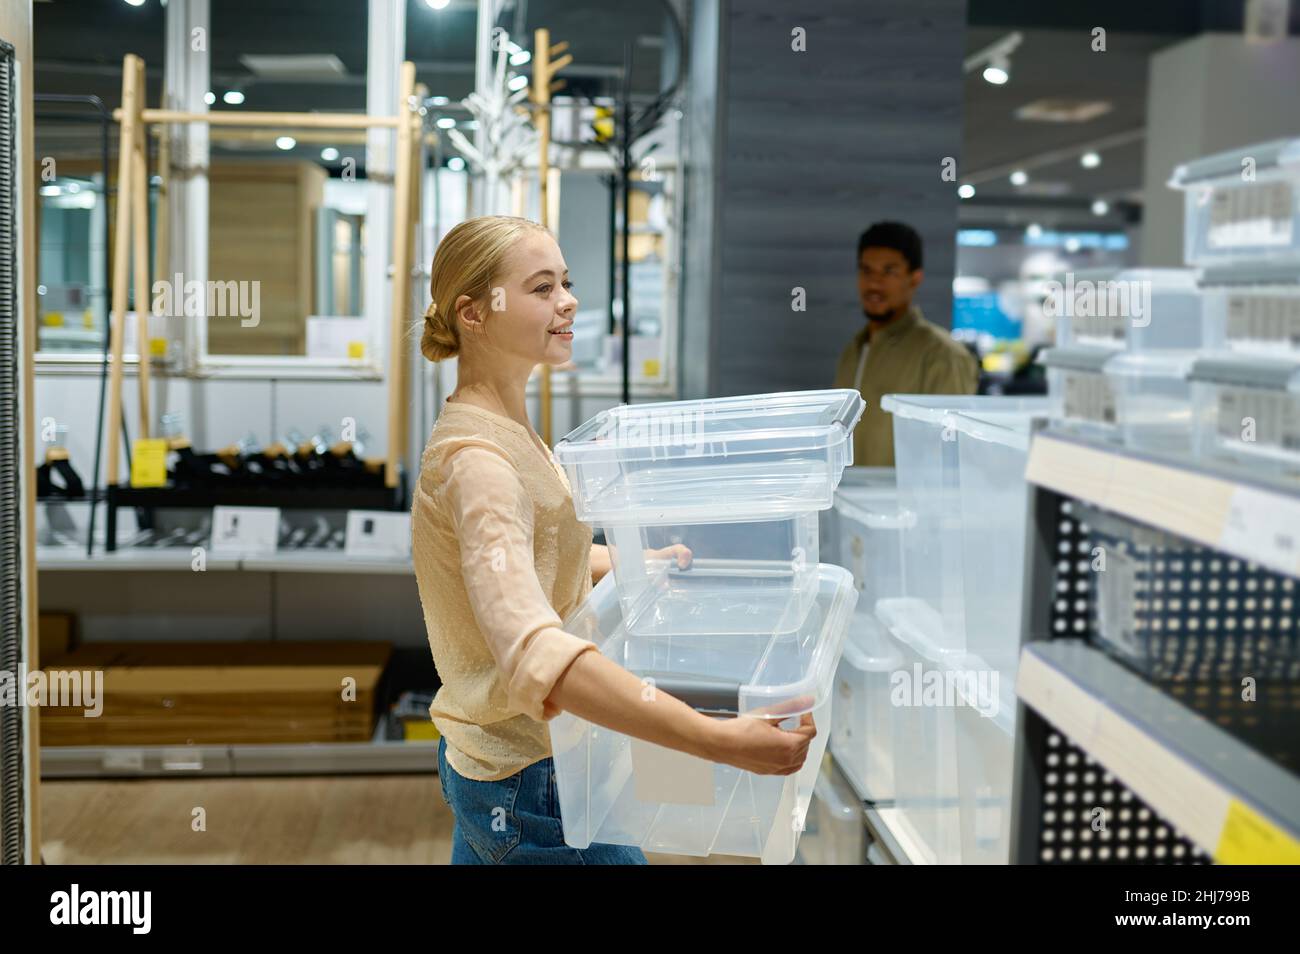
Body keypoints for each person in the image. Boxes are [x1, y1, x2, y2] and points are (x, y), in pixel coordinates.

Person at [413, 215, 816, 865]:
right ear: (475, 313)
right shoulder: (479, 464)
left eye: (565, 282)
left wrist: (632, 560)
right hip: (530, 781)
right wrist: (721, 741)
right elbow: (537, 658)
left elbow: (529, 557)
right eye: (542, 287)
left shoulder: (505, 425)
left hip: (500, 761)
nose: (569, 300)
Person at [832, 221, 979, 466]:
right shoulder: (854, 350)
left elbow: (951, 456)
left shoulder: (943, 355)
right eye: (867, 271)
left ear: (914, 278)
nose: (874, 283)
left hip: (902, 503)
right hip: (848, 499)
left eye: (889, 271)